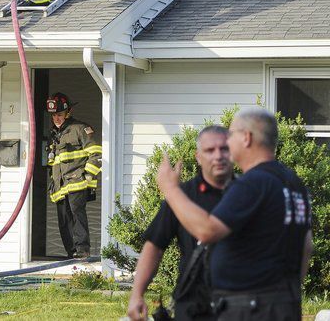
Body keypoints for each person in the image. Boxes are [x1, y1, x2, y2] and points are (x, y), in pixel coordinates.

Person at [157, 107, 313, 320]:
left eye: (231, 135)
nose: (228, 143)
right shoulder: (294, 183)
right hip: (284, 303)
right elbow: (306, 243)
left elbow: (207, 230)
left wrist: (171, 189)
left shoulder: (253, 182)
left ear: (246, 138)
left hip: (250, 308)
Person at [128, 126, 233, 321]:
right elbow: (154, 247)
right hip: (192, 305)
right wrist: (136, 294)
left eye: (224, 149)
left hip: (239, 305)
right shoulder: (182, 195)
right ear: (198, 157)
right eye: (210, 150)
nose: (218, 156)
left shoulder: (249, 193)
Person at [45, 93, 101, 258]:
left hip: (77, 182)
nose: (56, 118)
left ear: (68, 113)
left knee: (77, 216)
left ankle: (82, 250)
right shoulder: (55, 134)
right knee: (64, 220)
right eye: (54, 115)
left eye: (60, 115)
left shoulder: (79, 129)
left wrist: (89, 175)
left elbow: (96, 153)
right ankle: (71, 253)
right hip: (60, 186)